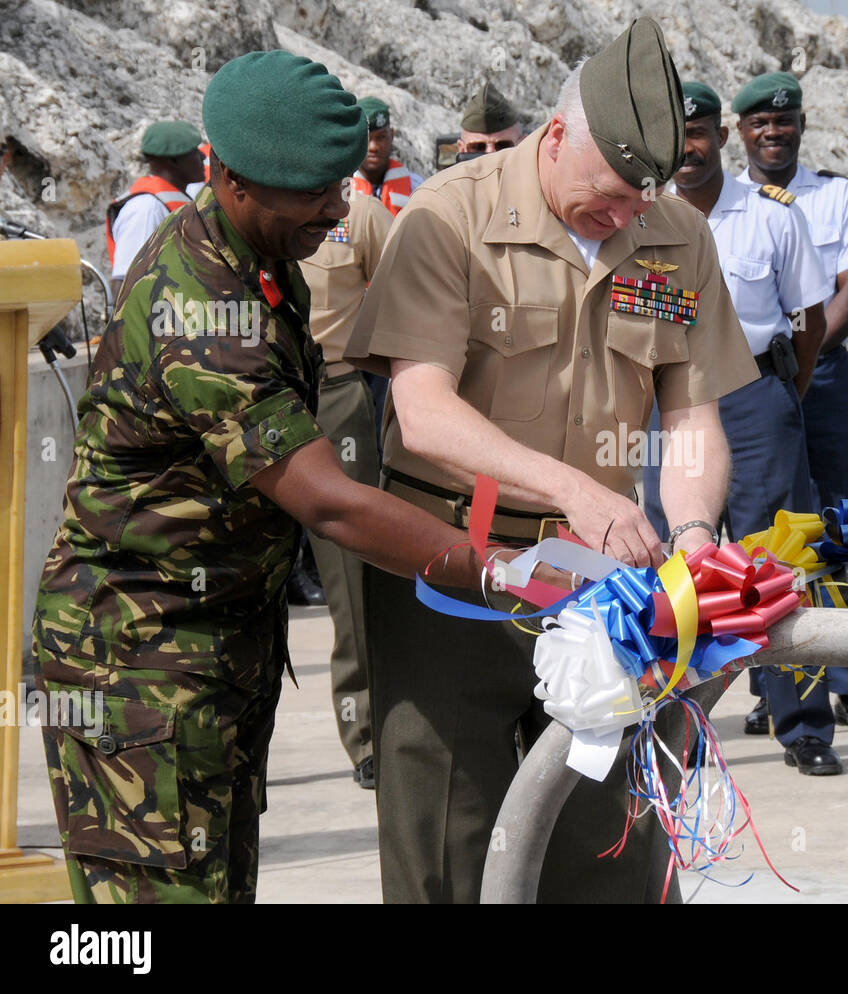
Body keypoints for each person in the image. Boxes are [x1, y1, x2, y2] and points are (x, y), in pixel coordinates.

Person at [32, 50, 512, 905]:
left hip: (210, 656)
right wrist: (501, 572)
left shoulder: (253, 259)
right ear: (232, 179)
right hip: (137, 670)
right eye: (313, 192)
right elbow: (326, 499)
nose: (337, 209)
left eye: (338, 184)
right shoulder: (201, 308)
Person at [344, 18, 756, 903]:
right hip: (454, 570)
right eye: (608, 198)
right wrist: (573, 486)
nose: (624, 219)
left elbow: (690, 417)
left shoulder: (678, 235)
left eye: (640, 203)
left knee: (611, 848)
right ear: (557, 135)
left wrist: (689, 539)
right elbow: (423, 413)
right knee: (448, 845)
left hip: (602, 587)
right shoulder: (450, 215)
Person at [641, 83, 841, 774]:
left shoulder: (770, 217)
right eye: (674, 135)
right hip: (668, 401)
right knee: (673, 564)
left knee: (777, 558)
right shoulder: (639, 221)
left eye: (697, 133)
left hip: (756, 394)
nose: (686, 149)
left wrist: (783, 395)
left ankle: (805, 727)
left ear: (721, 137)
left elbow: (810, 323)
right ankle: (673, 727)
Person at [734, 72, 848, 736]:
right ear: (739, 134)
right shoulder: (724, 205)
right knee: (772, 535)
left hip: (823, 378)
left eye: (785, 121)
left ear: (802, 125)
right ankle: (777, 688)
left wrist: (806, 355)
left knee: (843, 526)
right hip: (757, 388)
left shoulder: (839, 197)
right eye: (760, 125)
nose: (774, 133)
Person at [299, 188, 394, 789]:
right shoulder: (228, 207)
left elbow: (405, 295)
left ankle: (365, 737)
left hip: (334, 398)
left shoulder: (359, 215)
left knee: (351, 580)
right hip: (248, 397)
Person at [105, 120, 207, 299]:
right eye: (193, 152)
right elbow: (127, 286)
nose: (203, 157)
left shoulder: (175, 199)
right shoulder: (146, 209)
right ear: (173, 161)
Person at [351, 97, 424, 216]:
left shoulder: (415, 186)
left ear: (392, 135)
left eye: (381, 137)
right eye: (366, 138)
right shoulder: (341, 187)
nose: (373, 147)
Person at [458, 81, 525, 160]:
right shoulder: (449, 172)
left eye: (502, 145)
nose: (490, 154)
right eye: (478, 147)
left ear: (523, 144)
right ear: (462, 149)